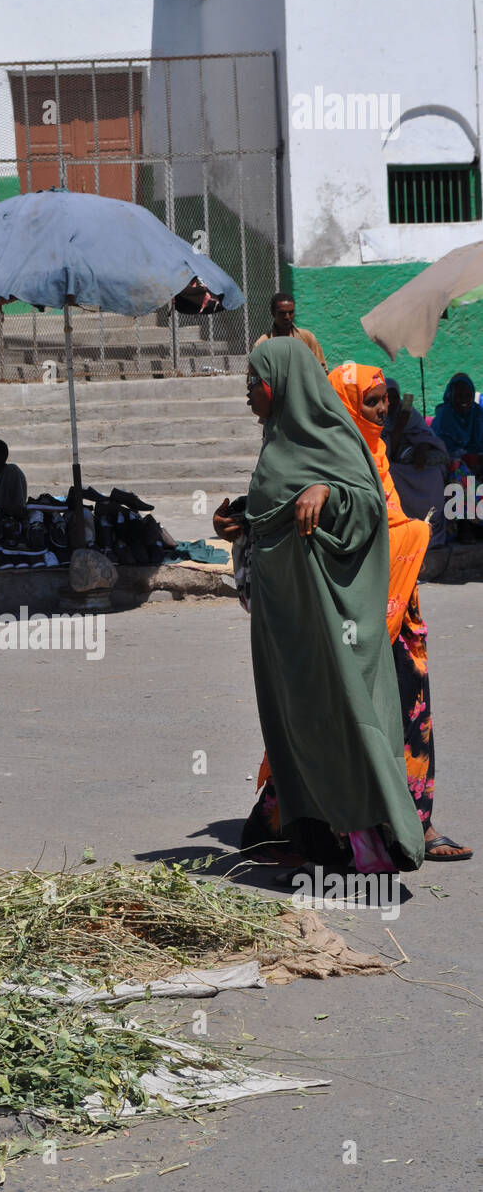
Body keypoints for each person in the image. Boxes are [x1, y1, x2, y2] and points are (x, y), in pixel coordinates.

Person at [218, 338, 424, 874]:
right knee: (295, 719)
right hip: (284, 622)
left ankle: (375, 836)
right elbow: (275, 514)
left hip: (332, 618)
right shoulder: (277, 442)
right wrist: (239, 521)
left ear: (280, 384)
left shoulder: (334, 439)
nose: (248, 397)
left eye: (252, 386)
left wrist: (328, 494)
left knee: (344, 714)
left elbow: (368, 506)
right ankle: (311, 833)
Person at [382, 378, 450, 547]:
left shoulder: (411, 414)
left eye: (395, 397)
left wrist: (421, 446)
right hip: (395, 465)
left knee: (434, 474)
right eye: (387, 398)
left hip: (417, 462)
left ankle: (431, 524)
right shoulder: (378, 417)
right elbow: (385, 452)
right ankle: (407, 525)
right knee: (392, 476)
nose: (392, 402)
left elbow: (427, 436)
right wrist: (399, 426)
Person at [431, 373, 483, 538]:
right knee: (459, 472)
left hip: (477, 460)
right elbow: (439, 446)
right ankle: (464, 525)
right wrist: (462, 456)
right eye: (459, 395)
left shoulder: (477, 413)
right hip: (450, 463)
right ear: (450, 395)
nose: (464, 399)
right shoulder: (445, 415)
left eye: (467, 395)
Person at [252, 291, 328, 372]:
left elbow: (322, 370)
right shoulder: (262, 344)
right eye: (282, 313)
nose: (287, 317)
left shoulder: (307, 338)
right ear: (273, 313)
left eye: (291, 312)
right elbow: (254, 380)